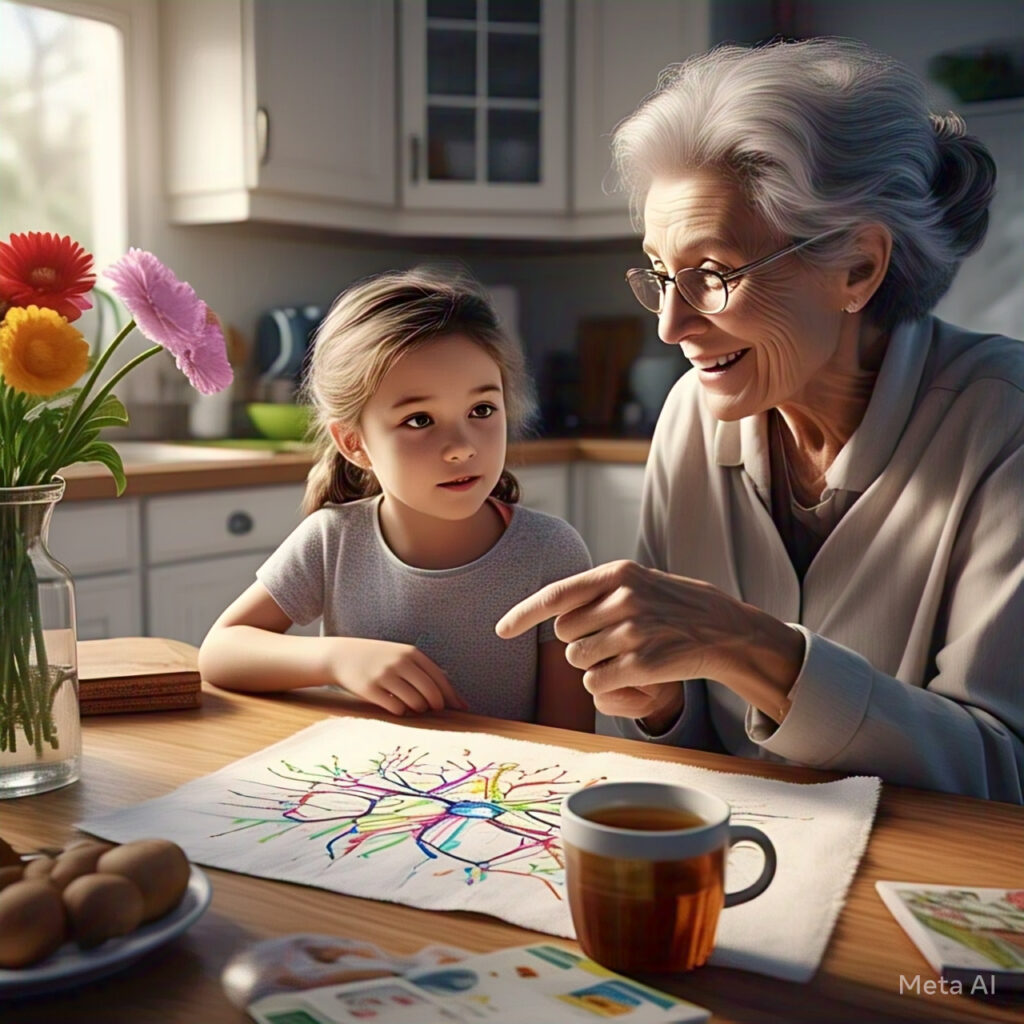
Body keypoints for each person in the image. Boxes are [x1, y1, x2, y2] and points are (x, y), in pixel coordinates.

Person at [497, 38, 1024, 801]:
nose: (670, 327)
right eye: (658, 275)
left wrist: (749, 648)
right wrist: (660, 704)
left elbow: (1005, 777)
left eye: (711, 275)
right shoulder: (691, 415)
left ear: (859, 268)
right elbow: (694, 752)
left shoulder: (1003, 425)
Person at [200, 268, 594, 731]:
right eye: (420, 420)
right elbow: (220, 651)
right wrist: (337, 658)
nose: (463, 446)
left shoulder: (550, 553)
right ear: (354, 443)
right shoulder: (334, 540)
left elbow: (572, 742)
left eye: (482, 410)